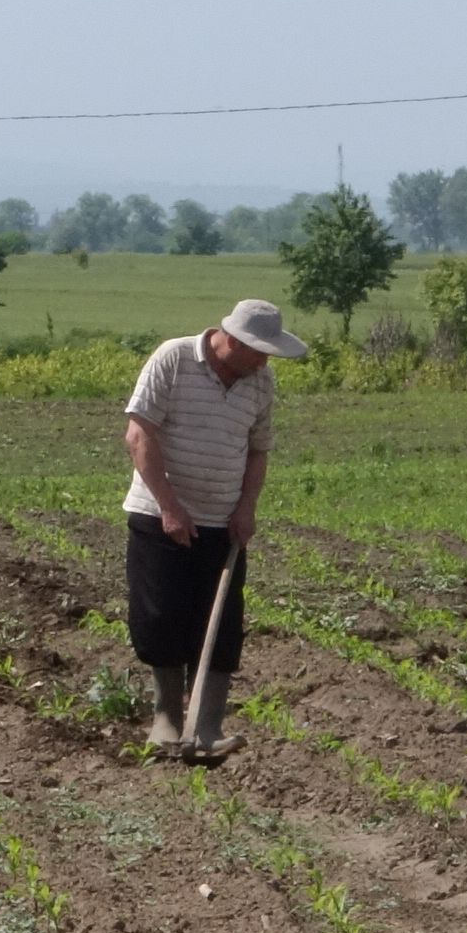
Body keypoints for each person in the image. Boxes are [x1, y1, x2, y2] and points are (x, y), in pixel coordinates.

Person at [120, 298, 306, 761]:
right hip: (158, 513)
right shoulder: (174, 358)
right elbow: (139, 434)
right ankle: (165, 720)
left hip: (223, 521)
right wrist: (169, 507)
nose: (265, 362)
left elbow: (258, 450)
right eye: (259, 351)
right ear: (233, 341)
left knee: (220, 626)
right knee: (161, 617)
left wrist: (246, 507)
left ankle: (206, 728)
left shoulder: (260, 382)